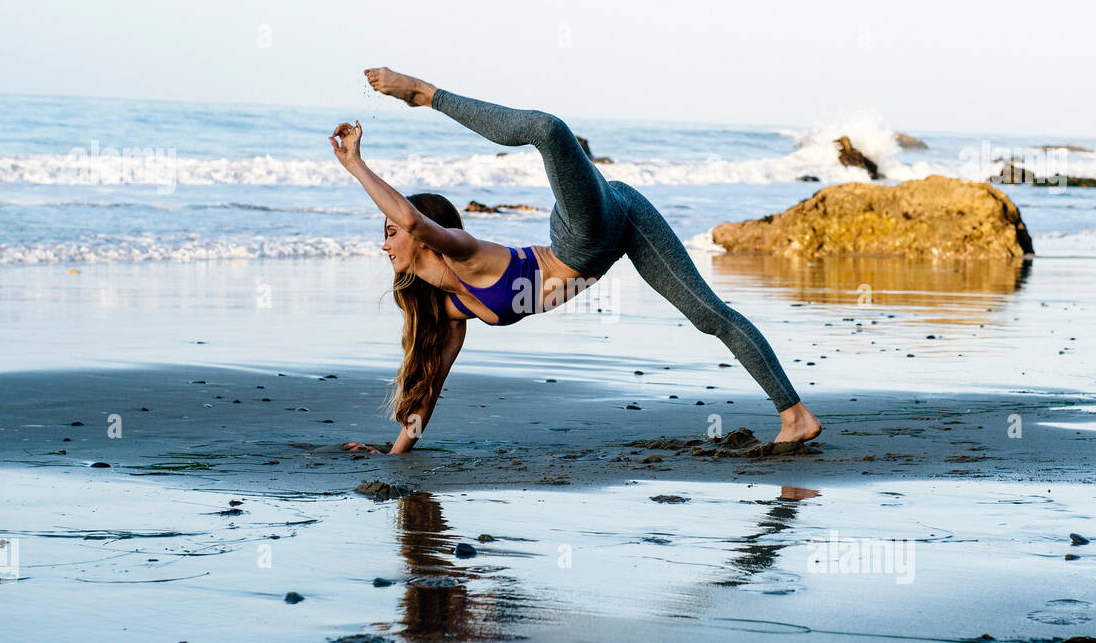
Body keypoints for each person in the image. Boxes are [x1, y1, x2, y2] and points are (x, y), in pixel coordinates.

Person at [332, 67, 822, 454]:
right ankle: (797, 419)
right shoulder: (449, 312)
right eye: (386, 234)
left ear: (421, 235)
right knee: (707, 315)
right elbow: (431, 385)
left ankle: (423, 92)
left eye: (390, 231)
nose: (385, 242)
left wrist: (357, 162)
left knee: (548, 130)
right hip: (613, 233)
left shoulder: (462, 252)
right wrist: (396, 454)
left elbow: (414, 221)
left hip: (581, 236)